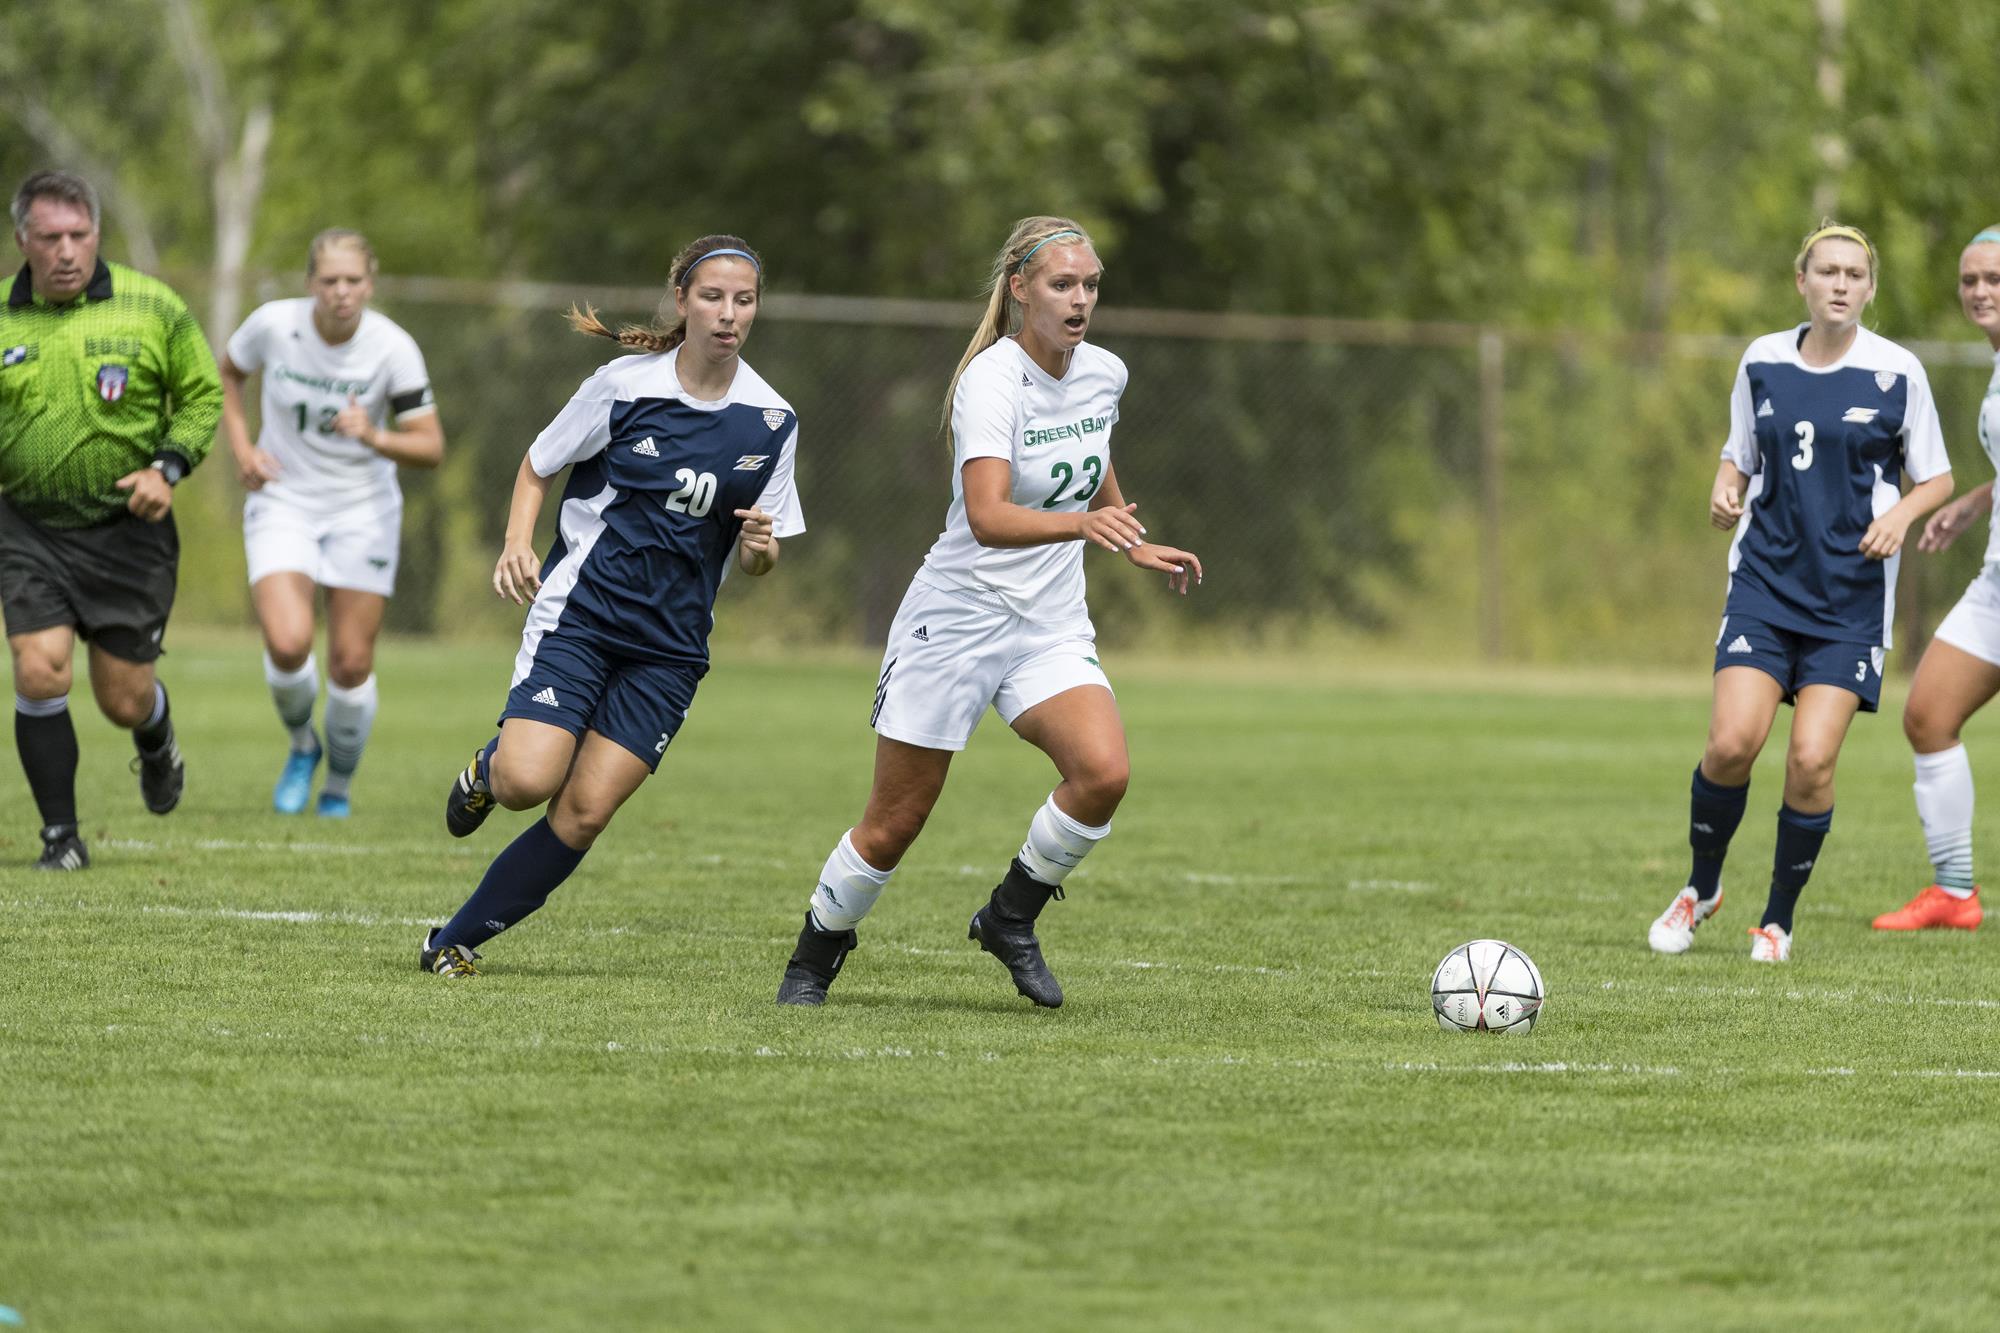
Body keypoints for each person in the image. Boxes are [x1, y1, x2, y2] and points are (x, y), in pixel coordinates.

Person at [774, 214, 1202, 1008]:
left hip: (1048, 622)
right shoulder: (992, 380)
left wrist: (1128, 534)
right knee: (896, 820)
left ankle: (1009, 917)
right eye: (1062, 284)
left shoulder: (1104, 371)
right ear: (1019, 290)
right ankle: (815, 954)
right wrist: (1082, 523)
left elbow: (1091, 447)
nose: (1081, 300)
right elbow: (987, 516)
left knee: (1103, 772)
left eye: (1091, 285)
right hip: (959, 619)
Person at [419, 235, 800, 979]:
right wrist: (515, 542)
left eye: (744, 300)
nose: (728, 314)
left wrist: (760, 544)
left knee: (585, 811)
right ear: (683, 301)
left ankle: (452, 940)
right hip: (582, 619)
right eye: (713, 297)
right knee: (528, 781)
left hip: (670, 649)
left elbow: (759, 559)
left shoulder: (773, 420)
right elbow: (538, 463)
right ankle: (488, 769)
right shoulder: (624, 387)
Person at [1647, 222, 1952, 963]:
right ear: (1802, 282)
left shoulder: (1899, 372)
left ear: (1870, 288)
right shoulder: (1762, 362)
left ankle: (1777, 919)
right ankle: (1701, 887)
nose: (1841, 283)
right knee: (1730, 743)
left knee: (1811, 760)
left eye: (1855, 273)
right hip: (1766, 584)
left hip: (1849, 602)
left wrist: (1903, 516)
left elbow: (1937, 477)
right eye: (1828, 271)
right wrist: (1725, 488)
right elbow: (1738, 456)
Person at [0, 170, 221, 870]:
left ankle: (155, 739)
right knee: (39, 670)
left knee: (122, 699)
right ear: (22, 240)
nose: (66, 250)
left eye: (79, 235)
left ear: (97, 233)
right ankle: (61, 838)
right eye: (50, 237)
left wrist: (169, 468)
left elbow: (202, 397)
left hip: (129, 531)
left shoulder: (153, 307)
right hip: (29, 528)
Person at [218, 229, 444, 817]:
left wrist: (373, 434)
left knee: (349, 662)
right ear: (309, 284)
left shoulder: (392, 348)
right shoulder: (274, 324)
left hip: (362, 508)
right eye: (329, 281)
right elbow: (228, 373)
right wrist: (242, 450)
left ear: (370, 284)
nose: (341, 293)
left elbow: (430, 446)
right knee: (288, 641)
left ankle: (338, 785)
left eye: (353, 281)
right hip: (283, 498)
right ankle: (301, 747)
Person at [1874, 227, 2000, 932]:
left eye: (1995, 279)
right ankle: (1954, 893)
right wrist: (1977, 500)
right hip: (1995, 583)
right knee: (1927, 715)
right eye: (1971, 280)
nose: (1980, 292)